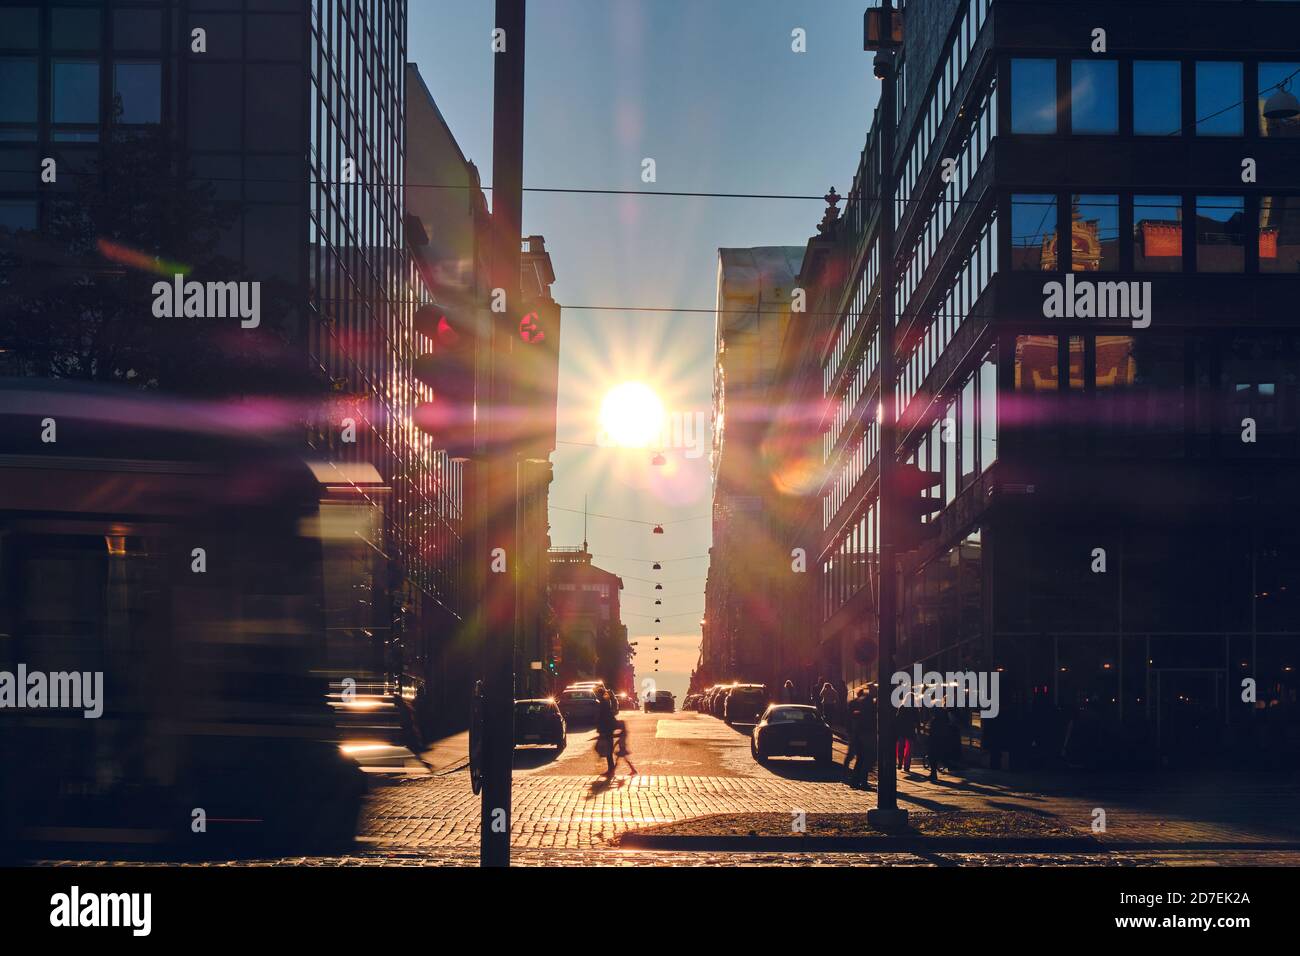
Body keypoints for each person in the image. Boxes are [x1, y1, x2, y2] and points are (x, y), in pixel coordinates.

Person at [850, 689, 877, 789]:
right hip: (867, 737)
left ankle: (855, 781)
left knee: (860, 760)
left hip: (859, 737)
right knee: (866, 760)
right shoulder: (870, 713)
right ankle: (863, 782)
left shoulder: (859, 712)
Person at [595, 688, 617, 777]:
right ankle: (611, 769)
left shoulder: (603, 703)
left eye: (597, 694)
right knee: (608, 750)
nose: (596, 696)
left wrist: (602, 730)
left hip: (606, 729)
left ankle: (611, 769)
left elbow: (604, 717)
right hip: (608, 729)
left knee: (607, 750)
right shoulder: (604, 702)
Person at [928, 710, 954, 782]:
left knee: (932, 757)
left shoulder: (935, 721)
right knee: (939, 756)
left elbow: (931, 732)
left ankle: (933, 773)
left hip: (935, 741)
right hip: (942, 740)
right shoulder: (945, 720)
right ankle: (943, 766)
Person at [896, 702, 919, 772]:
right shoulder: (915, 708)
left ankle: (900, 762)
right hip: (910, 731)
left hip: (902, 731)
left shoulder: (902, 707)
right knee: (908, 750)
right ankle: (907, 766)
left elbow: (898, 718)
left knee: (900, 748)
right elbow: (917, 720)